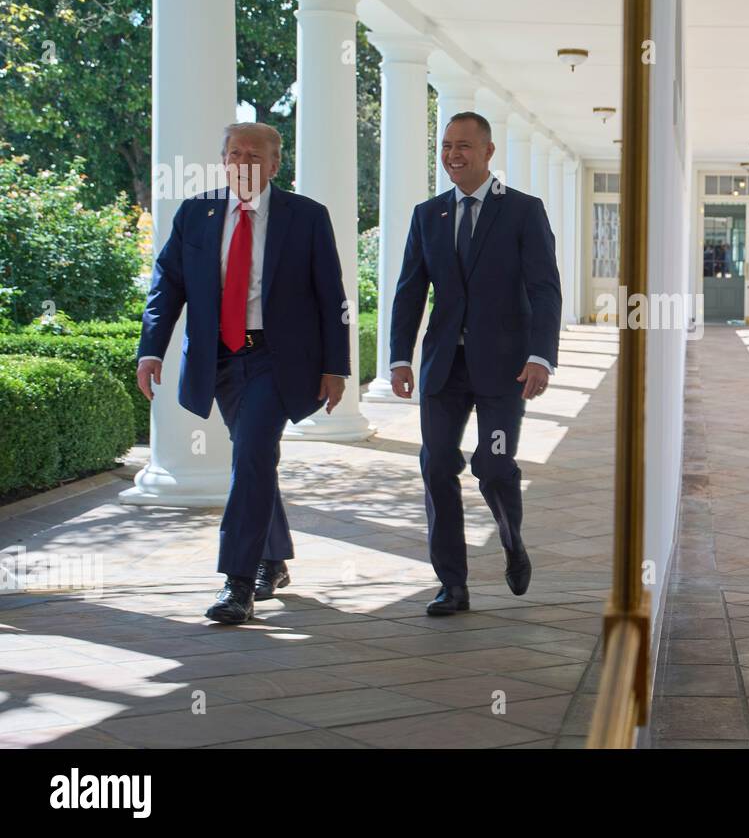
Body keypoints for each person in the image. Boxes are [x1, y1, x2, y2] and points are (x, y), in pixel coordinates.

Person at [136, 121, 349, 624]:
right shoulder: (196, 214)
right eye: (234, 155)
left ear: (276, 165)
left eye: (254, 156)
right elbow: (167, 287)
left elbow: (331, 296)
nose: (242, 164)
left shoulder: (306, 217)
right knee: (253, 461)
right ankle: (273, 559)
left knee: (251, 455)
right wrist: (151, 351)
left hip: (278, 361)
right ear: (223, 160)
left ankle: (238, 582)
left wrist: (335, 366)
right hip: (222, 362)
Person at [389, 111, 562, 616]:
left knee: (493, 464)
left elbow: (544, 288)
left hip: (505, 369)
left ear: (488, 152)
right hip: (445, 366)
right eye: (445, 146)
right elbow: (409, 290)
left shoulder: (523, 211)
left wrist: (540, 356)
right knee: (437, 463)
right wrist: (400, 357)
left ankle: (512, 541)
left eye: (463, 146)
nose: (452, 155)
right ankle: (453, 584)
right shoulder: (428, 215)